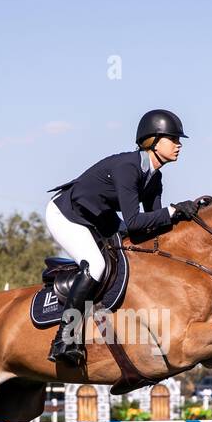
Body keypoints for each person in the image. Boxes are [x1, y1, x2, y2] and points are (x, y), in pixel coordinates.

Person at [43, 109, 201, 366]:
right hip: (67, 213)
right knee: (96, 265)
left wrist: (184, 219)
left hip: (98, 217)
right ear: (153, 141)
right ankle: (64, 339)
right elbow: (136, 222)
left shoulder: (154, 178)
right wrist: (173, 211)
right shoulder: (129, 168)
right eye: (172, 139)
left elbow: (150, 230)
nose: (178, 145)